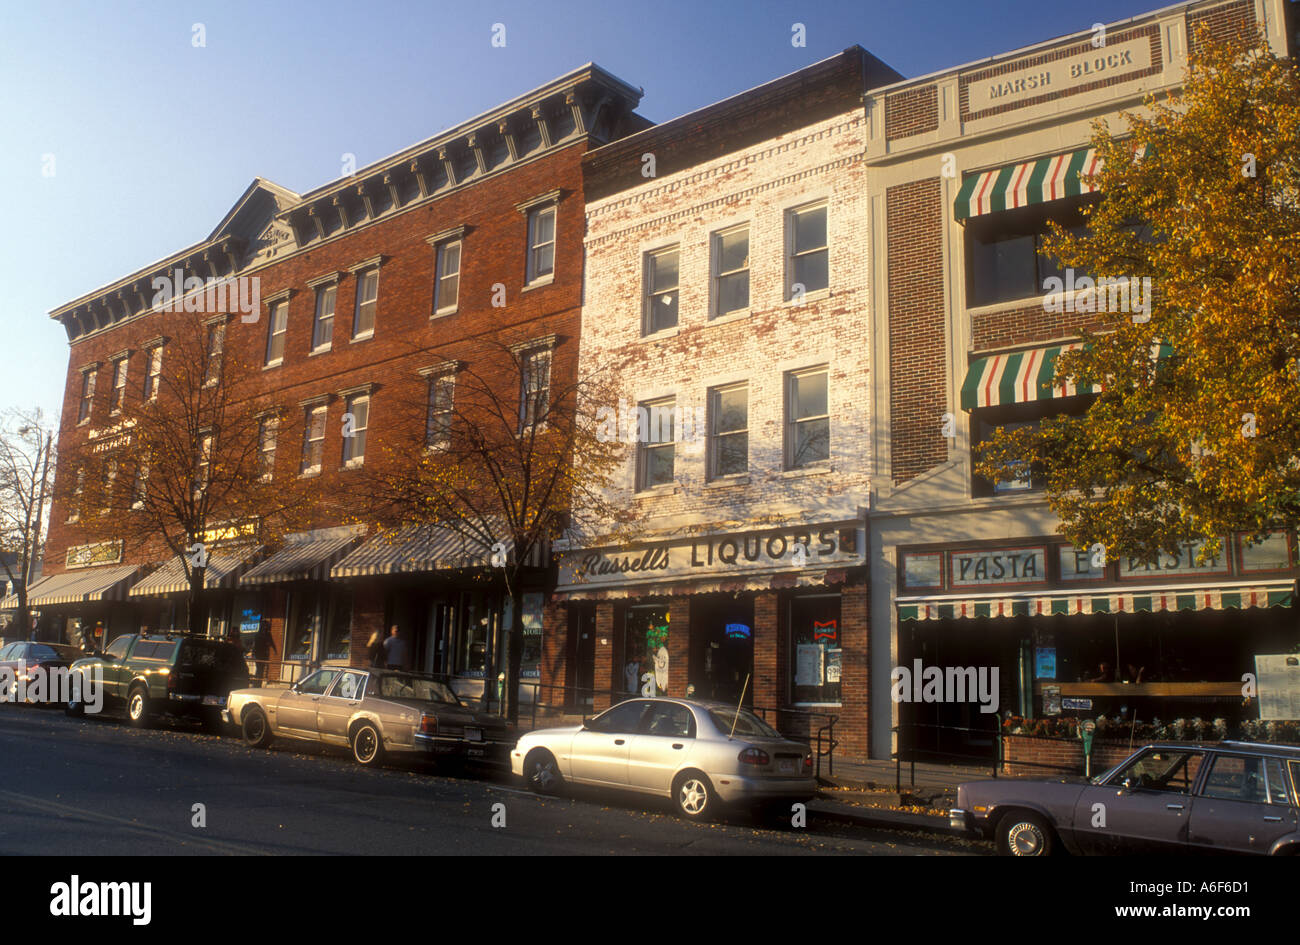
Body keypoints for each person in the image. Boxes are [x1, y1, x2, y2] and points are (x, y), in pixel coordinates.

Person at [251, 620, 277, 687]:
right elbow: (255, 645)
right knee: (259, 669)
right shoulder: (259, 635)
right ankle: (256, 684)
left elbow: (272, 642)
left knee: (261, 669)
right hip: (258, 654)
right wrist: (253, 653)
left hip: (264, 654)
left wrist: (275, 650)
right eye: (265, 626)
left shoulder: (267, 634)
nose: (266, 628)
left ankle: (258, 684)